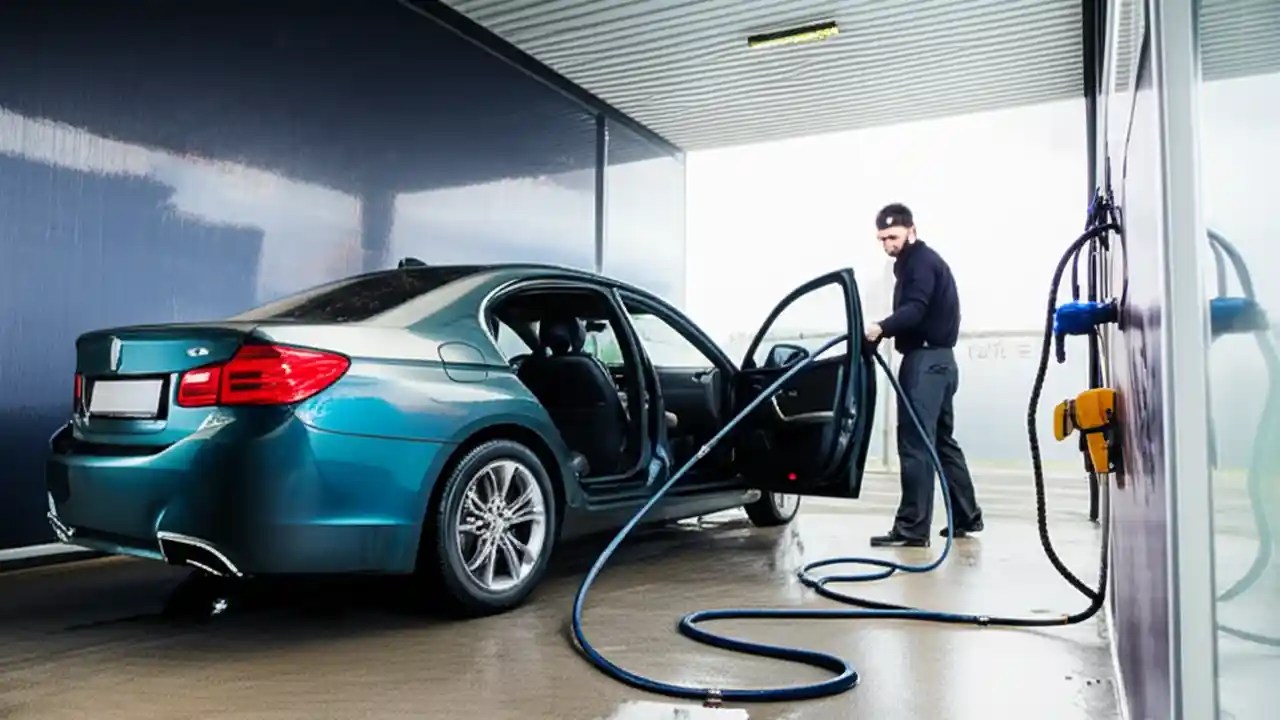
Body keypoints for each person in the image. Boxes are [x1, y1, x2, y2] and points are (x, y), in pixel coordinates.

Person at [864, 203, 983, 547]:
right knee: (942, 443)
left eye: (894, 236)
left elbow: (915, 310)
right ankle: (966, 515)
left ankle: (912, 529)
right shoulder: (921, 263)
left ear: (911, 231)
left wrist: (880, 328)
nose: (888, 244)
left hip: (925, 364)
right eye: (883, 239)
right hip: (943, 363)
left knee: (915, 444)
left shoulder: (919, 263)